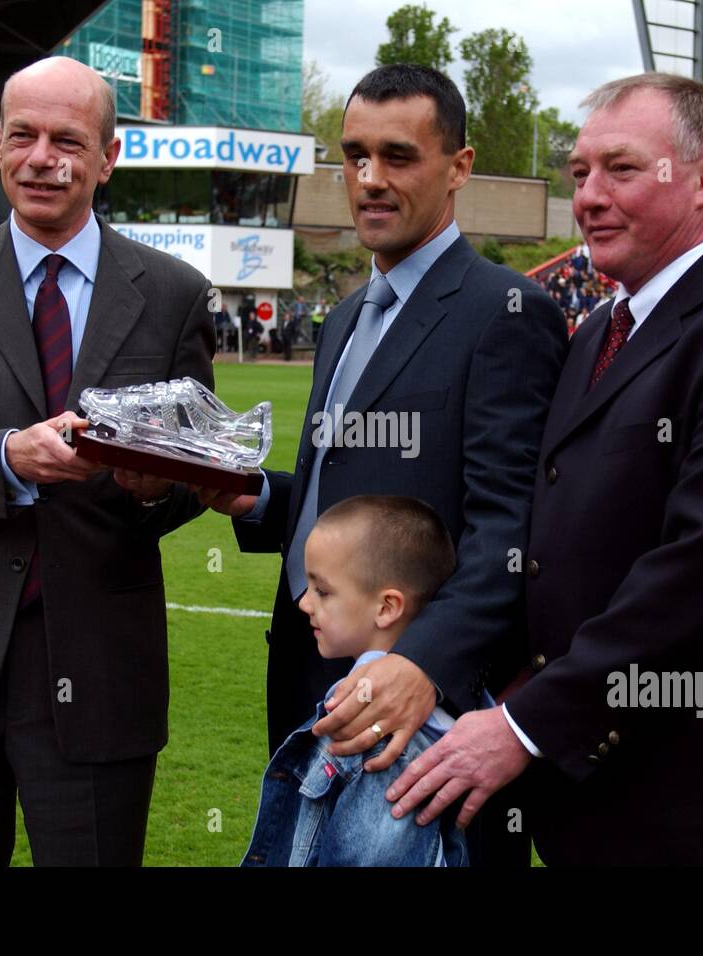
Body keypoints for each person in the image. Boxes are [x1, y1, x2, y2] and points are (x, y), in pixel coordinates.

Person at [387, 72, 703, 866]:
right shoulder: (600, 329)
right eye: (578, 174)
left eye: (621, 169)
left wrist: (526, 723)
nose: (589, 197)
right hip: (592, 796)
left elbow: (702, 573)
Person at [196, 64, 566, 868]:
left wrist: (420, 664)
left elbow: (509, 529)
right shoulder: (345, 318)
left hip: (420, 703)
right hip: (310, 669)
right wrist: (253, 497)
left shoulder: (505, 312)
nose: (368, 179)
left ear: (459, 168)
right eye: (353, 155)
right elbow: (349, 496)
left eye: (398, 156)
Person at [0, 56, 215, 866]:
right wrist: (6, 458)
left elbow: (197, 470)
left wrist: (159, 486)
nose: (42, 158)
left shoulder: (172, 294)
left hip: (99, 678)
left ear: (108, 156)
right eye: (23, 136)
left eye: (67, 140)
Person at [242, 495, 478, 867]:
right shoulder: (439, 713)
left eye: (323, 590)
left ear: (386, 608)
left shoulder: (378, 740)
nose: (305, 602)